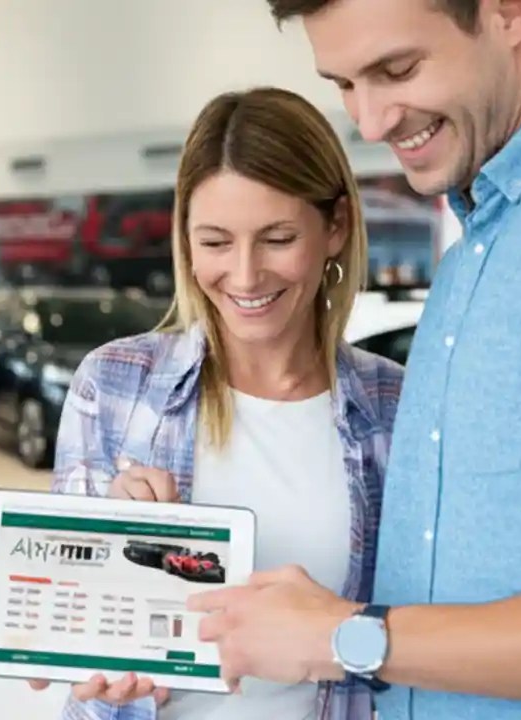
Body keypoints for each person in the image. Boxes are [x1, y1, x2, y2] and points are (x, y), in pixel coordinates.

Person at [187, 1, 521, 718]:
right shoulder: (486, 231)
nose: (371, 122)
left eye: (398, 69)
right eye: (345, 84)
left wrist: (350, 636)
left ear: (507, 10)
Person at [26, 87, 403, 719]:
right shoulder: (115, 384)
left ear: (335, 226)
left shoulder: (395, 405)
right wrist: (108, 574)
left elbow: (427, 641)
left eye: (278, 237)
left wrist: (339, 635)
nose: (247, 275)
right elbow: (79, 625)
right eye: (216, 241)